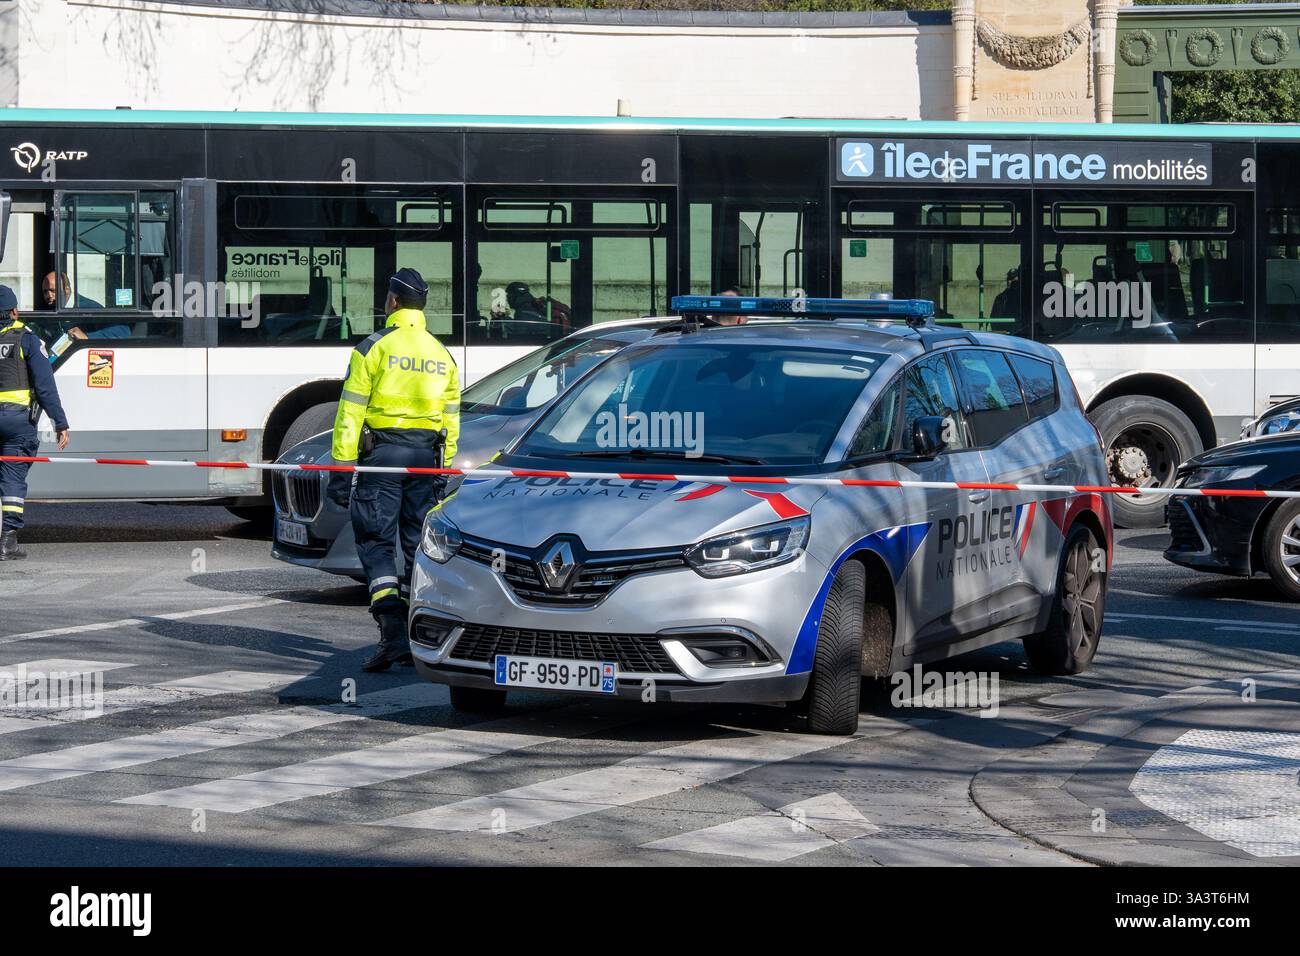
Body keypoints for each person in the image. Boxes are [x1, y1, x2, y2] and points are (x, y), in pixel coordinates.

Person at [327, 268, 461, 671]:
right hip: (426, 461)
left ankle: (393, 636)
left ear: (394, 302)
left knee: (374, 541)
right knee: (418, 546)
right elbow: (451, 420)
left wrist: (339, 469)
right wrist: (445, 470)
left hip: (382, 459)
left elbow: (350, 413)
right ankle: (420, 635)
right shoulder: (442, 354)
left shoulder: (374, 347)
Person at [0, 285, 70, 561]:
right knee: (13, 478)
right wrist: (60, 423)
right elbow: (44, 387)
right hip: (17, 421)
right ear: (14, 312)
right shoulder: (27, 339)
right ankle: (8, 542)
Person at [41, 272, 130, 342]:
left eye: (53, 291)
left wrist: (87, 337)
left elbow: (122, 331)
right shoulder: (52, 310)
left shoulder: (88, 307)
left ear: (67, 290)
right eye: (45, 292)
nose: (48, 295)